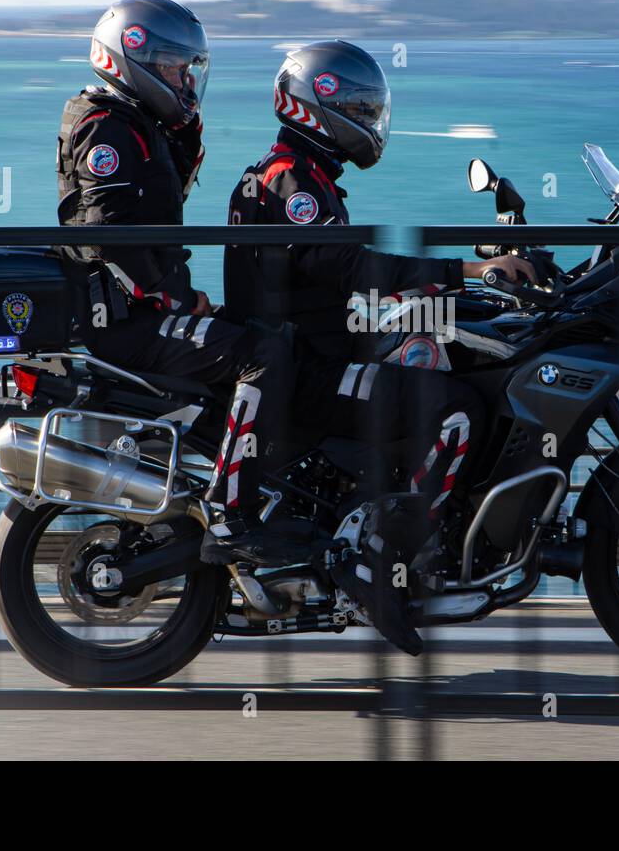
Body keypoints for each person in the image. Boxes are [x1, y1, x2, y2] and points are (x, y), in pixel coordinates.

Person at [223, 39, 535, 654]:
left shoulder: (299, 173)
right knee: (455, 410)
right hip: (305, 371)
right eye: (362, 109)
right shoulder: (293, 183)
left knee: (438, 350)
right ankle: (378, 561)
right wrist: (469, 275)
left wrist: (433, 299)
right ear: (320, 104)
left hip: (311, 351)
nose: (371, 123)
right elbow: (352, 270)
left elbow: (329, 283)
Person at [56, 0, 309, 566]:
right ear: (133, 59)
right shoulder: (108, 129)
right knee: (261, 354)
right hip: (127, 323)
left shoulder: (136, 123)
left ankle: (266, 485)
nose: (185, 79)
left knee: (269, 333)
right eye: (174, 68)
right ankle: (230, 508)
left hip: (141, 312)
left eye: (188, 68)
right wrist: (176, 299)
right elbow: (108, 234)